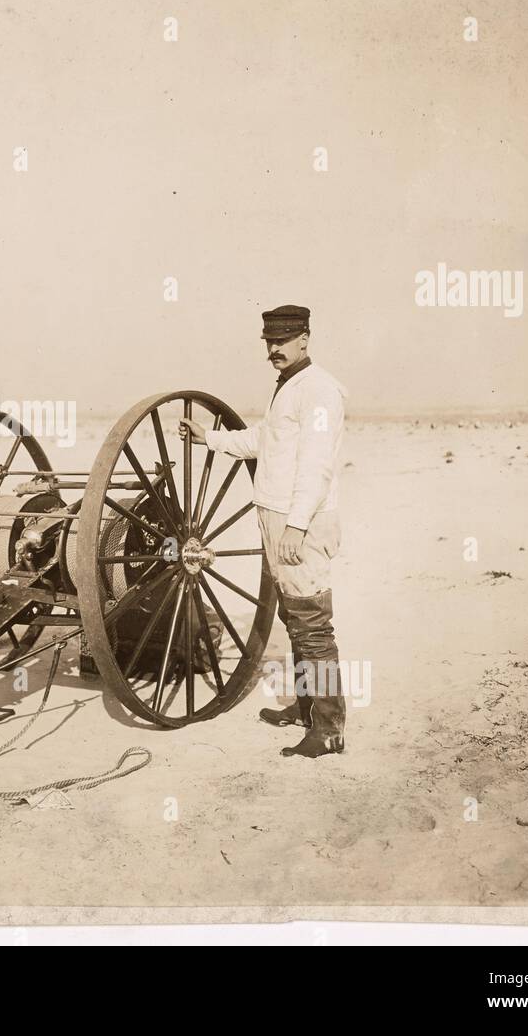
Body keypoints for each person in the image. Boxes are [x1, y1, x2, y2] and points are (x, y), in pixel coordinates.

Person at [179, 305, 348, 757]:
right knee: (294, 618)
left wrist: (295, 525)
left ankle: (328, 729)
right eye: (269, 341)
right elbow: (263, 442)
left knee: (312, 624)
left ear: (305, 339)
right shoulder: (290, 387)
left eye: (283, 340)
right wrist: (209, 438)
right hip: (279, 517)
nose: (274, 349)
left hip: (302, 521)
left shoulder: (319, 391)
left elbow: (316, 465)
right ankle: (306, 708)